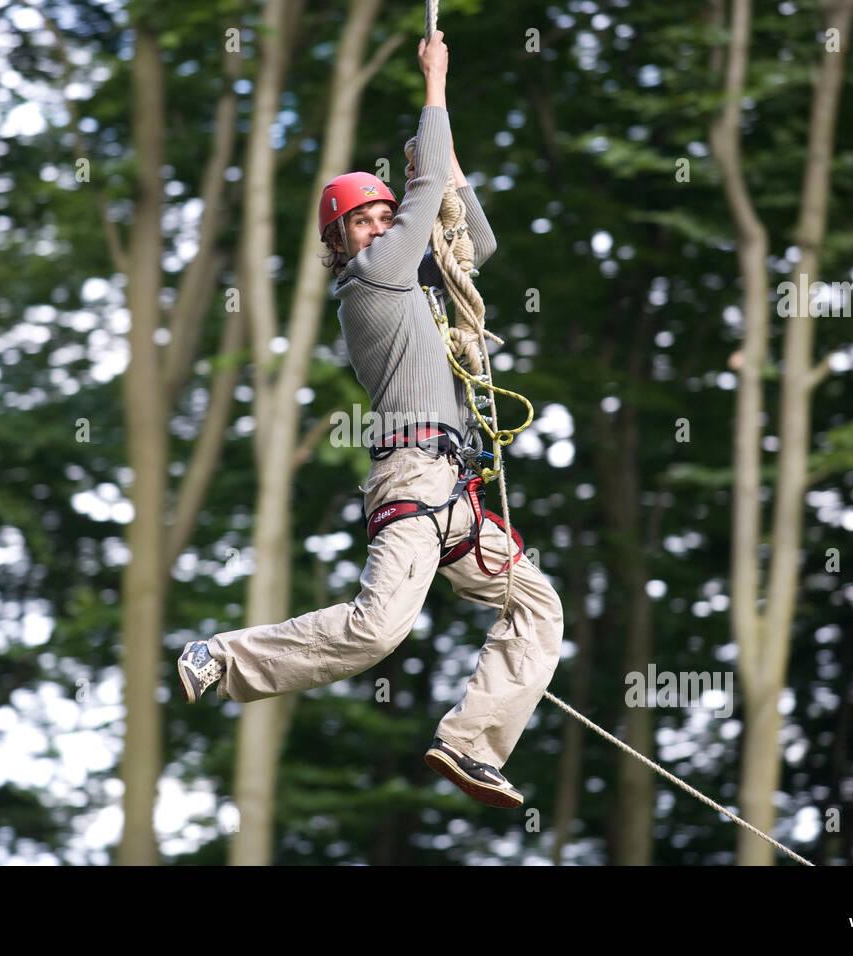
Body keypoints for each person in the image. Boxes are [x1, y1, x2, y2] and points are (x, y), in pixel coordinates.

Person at [177, 30, 564, 809]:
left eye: (382, 215)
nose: (379, 225)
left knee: (538, 604)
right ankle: (222, 658)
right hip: (413, 479)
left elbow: (470, 238)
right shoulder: (370, 283)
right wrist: (435, 87)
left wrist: (454, 174)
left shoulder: (415, 280)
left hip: (454, 489)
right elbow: (425, 206)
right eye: (362, 220)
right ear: (339, 243)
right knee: (378, 630)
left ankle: (471, 745)